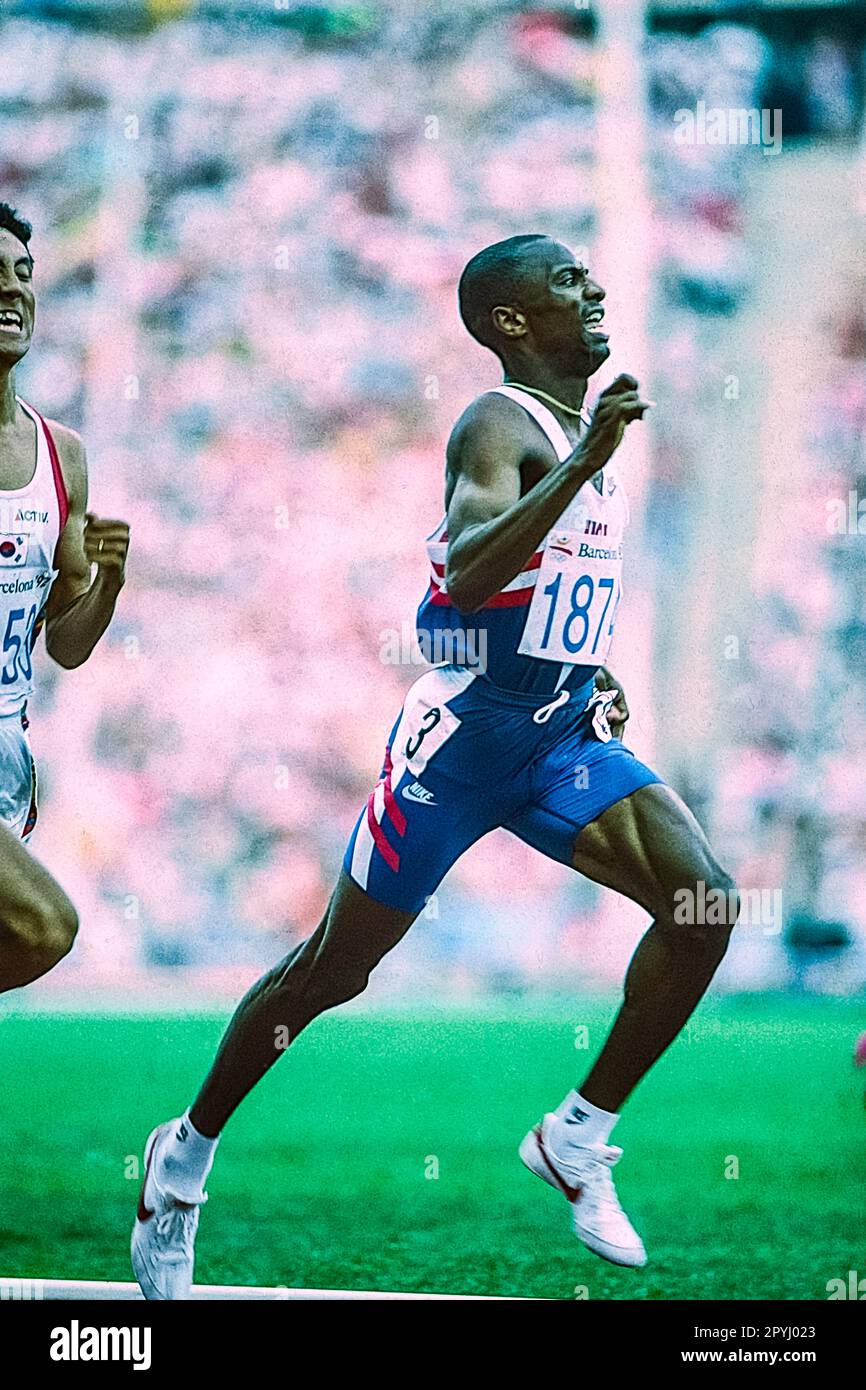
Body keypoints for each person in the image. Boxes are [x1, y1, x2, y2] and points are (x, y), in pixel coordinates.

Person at [132, 234, 738, 1298]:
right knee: (333, 972)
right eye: (566, 281)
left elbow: (542, 593)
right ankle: (182, 1156)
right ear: (510, 323)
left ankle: (575, 1136)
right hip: (458, 749)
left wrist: (585, 667)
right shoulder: (499, 421)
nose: (594, 289)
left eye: (589, 278)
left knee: (702, 905)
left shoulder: (574, 429)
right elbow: (462, 575)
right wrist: (587, 463)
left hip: (553, 731)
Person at [0, 202, 129, 993]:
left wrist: (107, 580)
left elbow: (68, 646)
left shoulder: (61, 456)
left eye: (22, 275)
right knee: (47, 927)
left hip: (12, 757)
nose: (11, 292)